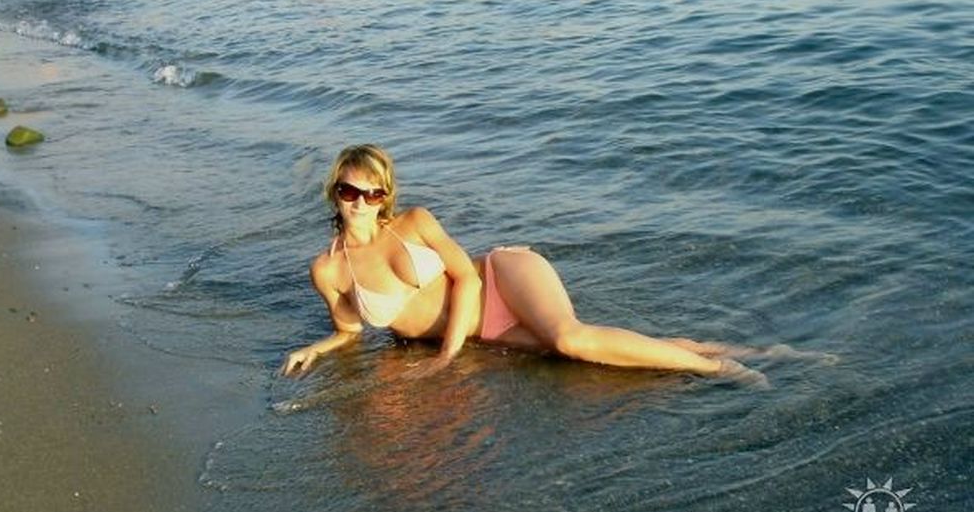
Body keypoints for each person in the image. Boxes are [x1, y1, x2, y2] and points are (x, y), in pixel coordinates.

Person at [281, 144, 769, 385]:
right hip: (485, 332)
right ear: (334, 192)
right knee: (585, 352)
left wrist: (447, 356)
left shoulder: (414, 223)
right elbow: (349, 332)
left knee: (570, 339)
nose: (360, 201)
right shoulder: (328, 270)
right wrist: (314, 349)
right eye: (350, 190)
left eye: (372, 193)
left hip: (502, 278)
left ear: (386, 196)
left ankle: (718, 369)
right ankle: (759, 352)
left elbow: (466, 279)